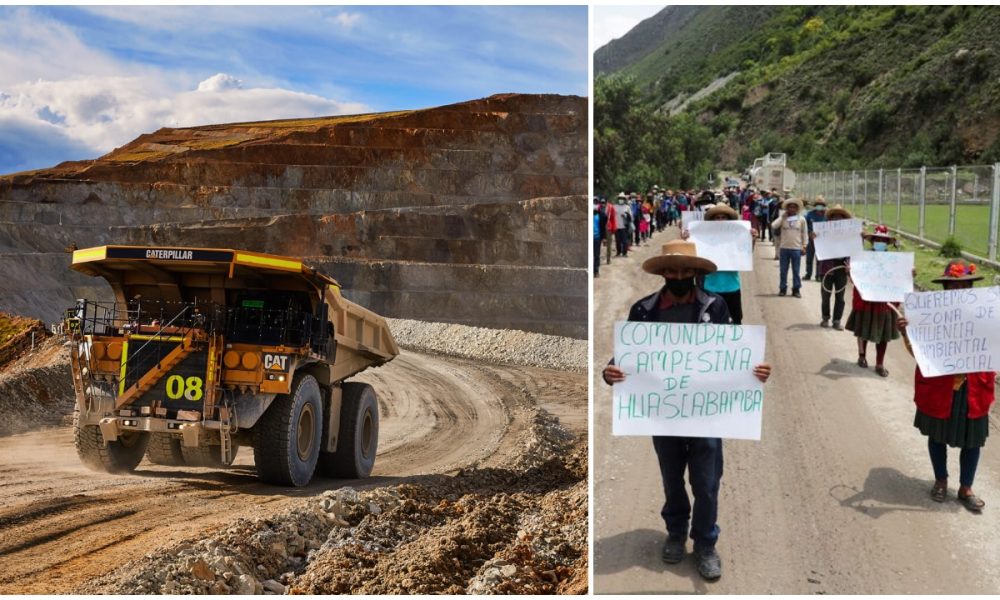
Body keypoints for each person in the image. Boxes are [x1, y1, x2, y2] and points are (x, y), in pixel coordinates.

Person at [602, 240, 772, 581]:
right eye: (671, 270)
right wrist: (610, 372)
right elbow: (625, 359)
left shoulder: (716, 307)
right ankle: (676, 533)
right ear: (663, 273)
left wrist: (755, 371)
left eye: (684, 271)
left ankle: (706, 543)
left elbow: (732, 354)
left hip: (706, 415)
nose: (678, 276)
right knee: (672, 477)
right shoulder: (643, 311)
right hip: (663, 414)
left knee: (706, 482)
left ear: (695, 272)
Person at [896, 259, 995, 511]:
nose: (958, 290)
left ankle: (966, 488)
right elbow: (919, 353)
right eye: (952, 286)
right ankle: (941, 480)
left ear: (971, 288)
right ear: (945, 288)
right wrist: (908, 332)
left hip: (974, 388)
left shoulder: (986, 314)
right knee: (937, 435)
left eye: (964, 286)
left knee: (973, 440)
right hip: (941, 388)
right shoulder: (932, 316)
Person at [680, 202, 755, 324]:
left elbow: (745, 253)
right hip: (710, 287)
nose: (720, 220)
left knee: (735, 322)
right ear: (712, 220)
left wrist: (751, 238)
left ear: (729, 220)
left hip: (732, 287)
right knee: (711, 322)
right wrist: (686, 240)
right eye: (717, 217)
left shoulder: (736, 236)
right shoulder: (704, 238)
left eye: (723, 217)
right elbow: (692, 256)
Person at [845, 225, 900, 377]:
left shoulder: (896, 261)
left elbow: (900, 279)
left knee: (883, 334)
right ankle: (862, 356)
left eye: (883, 241)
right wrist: (850, 272)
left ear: (887, 243)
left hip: (884, 302)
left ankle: (879, 363)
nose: (880, 243)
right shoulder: (863, 258)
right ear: (873, 241)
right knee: (863, 328)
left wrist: (909, 274)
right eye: (877, 240)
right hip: (867, 300)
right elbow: (855, 278)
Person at [813, 204, 852, 329]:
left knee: (840, 296)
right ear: (830, 219)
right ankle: (825, 318)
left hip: (842, 267)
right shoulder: (823, 232)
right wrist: (814, 237)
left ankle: (837, 320)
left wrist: (849, 264)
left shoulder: (849, 234)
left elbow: (854, 249)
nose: (837, 219)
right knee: (826, 295)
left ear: (844, 220)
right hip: (827, 266)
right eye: (834, 217)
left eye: (840, 217)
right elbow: (817, 247)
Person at [771, 196, 807, 297]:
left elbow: (804, 233)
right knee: (783, 270)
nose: (792, 209)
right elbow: (774, 225)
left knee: (796, 271)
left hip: (796, 249)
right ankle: (782, 289)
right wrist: (782, 217)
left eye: (794, 207)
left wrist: (804, 245)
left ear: (797, 209)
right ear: (787, 208)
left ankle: (796, 289)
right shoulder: (783, 218)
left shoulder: (801, 219)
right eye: (790, 207)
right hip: (784, 248)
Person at [804, 196, 827, 281]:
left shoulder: (826, 216)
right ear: (815, 205)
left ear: (823, 206)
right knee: (809, 258)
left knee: (819, 259)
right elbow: (804, 226)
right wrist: (809, 233)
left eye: (821, 205)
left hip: (821, 241)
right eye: (818, 204)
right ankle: (808, 274)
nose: (819, 206)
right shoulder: (809, 214)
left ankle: (818, 275)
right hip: (810, 240)